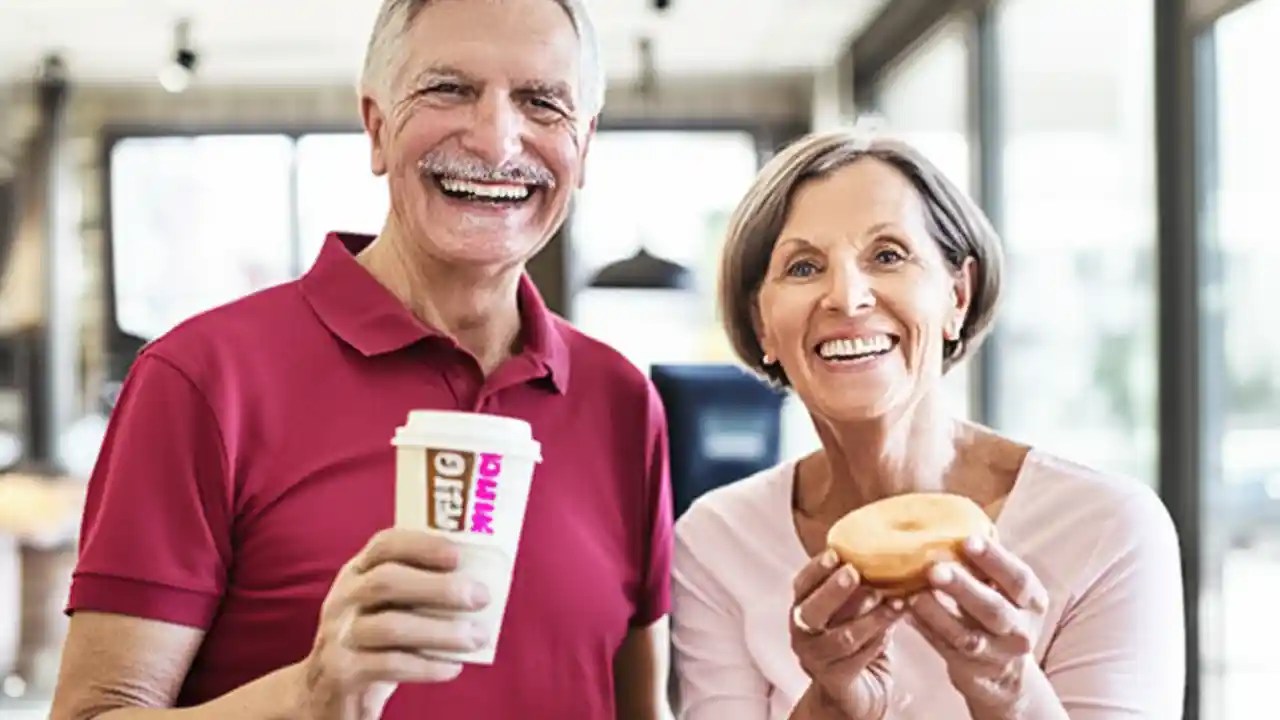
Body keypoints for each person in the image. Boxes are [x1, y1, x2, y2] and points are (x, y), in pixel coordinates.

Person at [49, 1, 674, 718]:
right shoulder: (202, 378)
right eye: (449, 89)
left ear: (584, 147)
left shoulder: (622, 401)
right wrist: (312, 692)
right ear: (377, 126)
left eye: (542, 102)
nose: (498, 140)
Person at [670, 130, 1184, 719]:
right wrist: (832, 707)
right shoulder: (716, 543)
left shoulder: (1107, 528)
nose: (846, 296)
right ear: (763, 327)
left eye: (887, 255)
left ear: (957, 296)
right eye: (804, 266)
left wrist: (1011, 693)